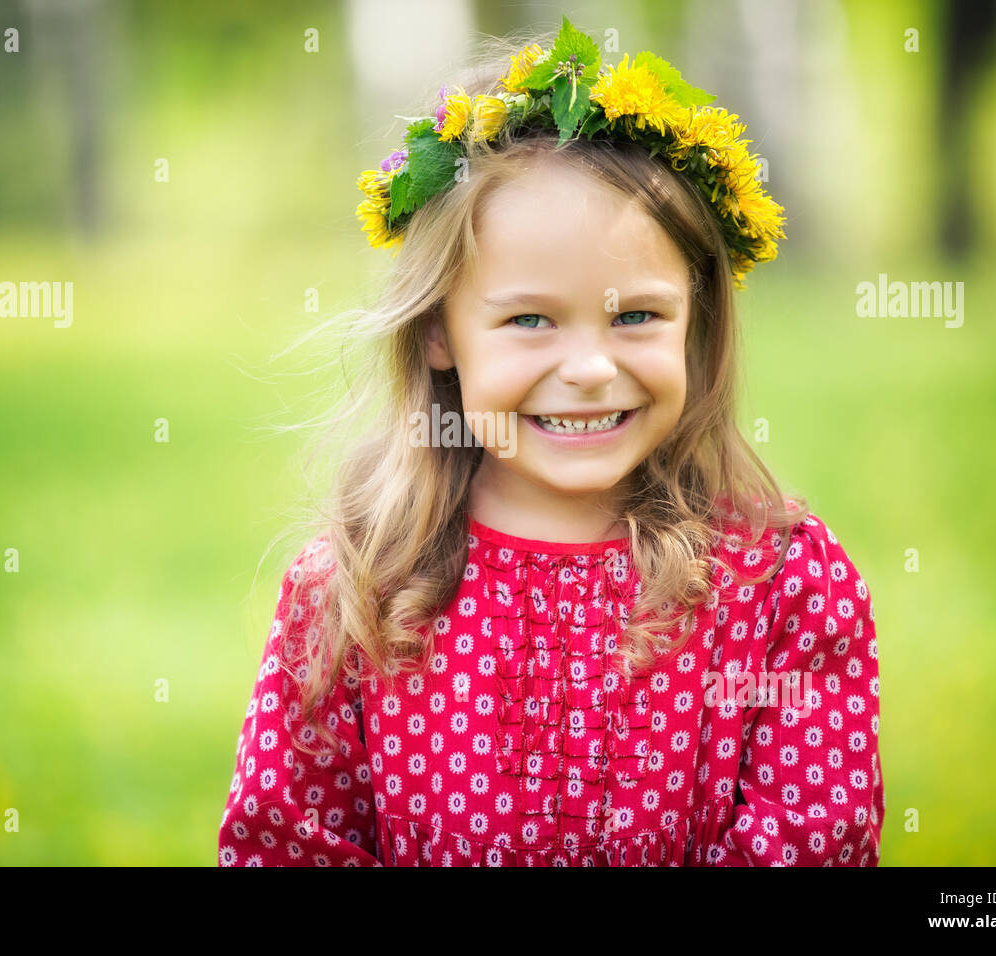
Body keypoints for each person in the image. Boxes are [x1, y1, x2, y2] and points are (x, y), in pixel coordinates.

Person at [217, 17, 883, 866]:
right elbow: (285, 843)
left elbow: (811, 842)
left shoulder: (780, 587)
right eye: (530, 319)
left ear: (696, 322)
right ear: (438, 334)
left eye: (636, 316)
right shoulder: (357, 588)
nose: (592, 368)